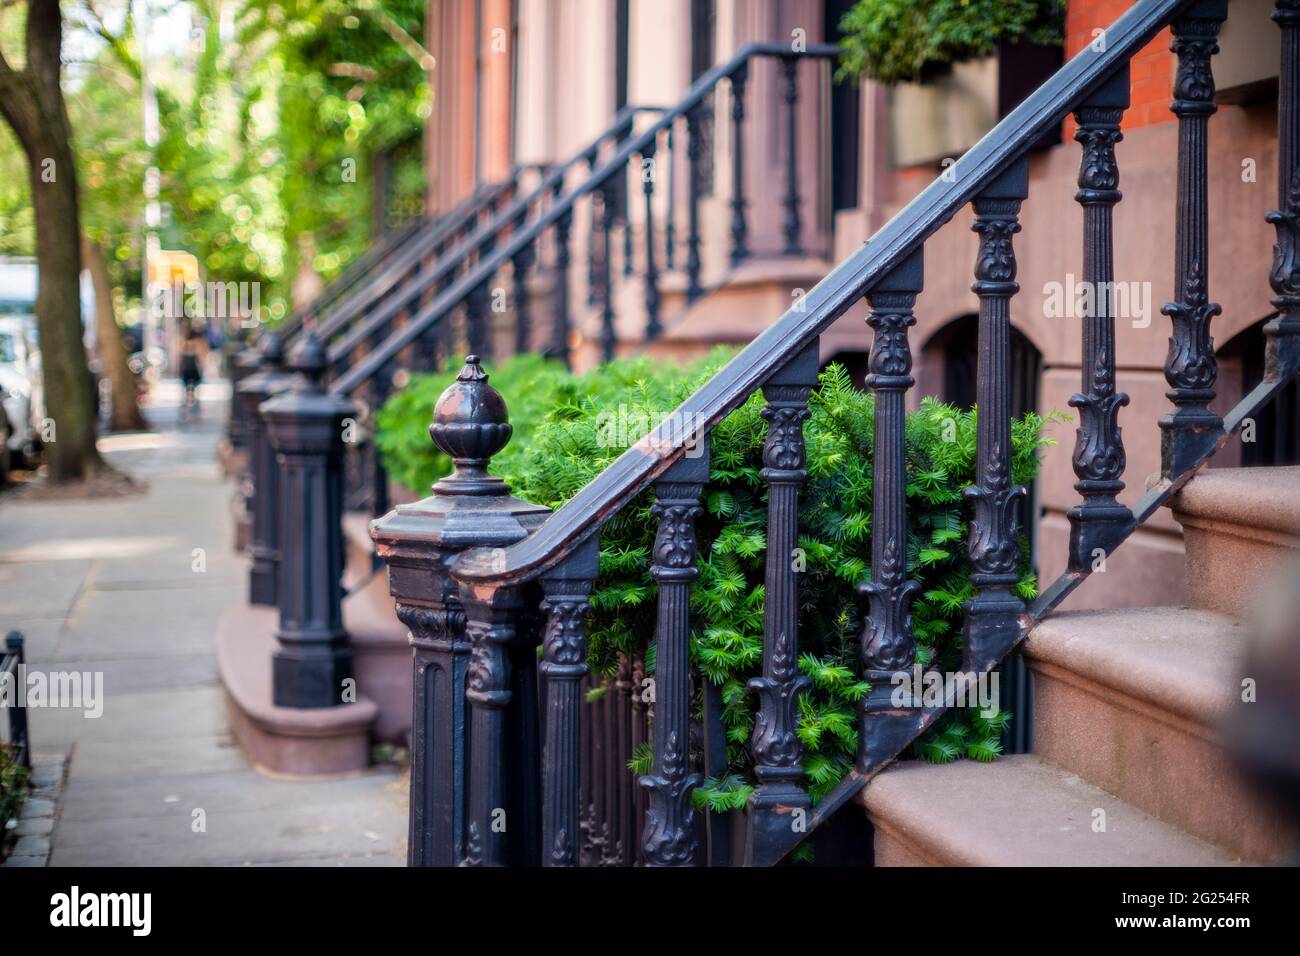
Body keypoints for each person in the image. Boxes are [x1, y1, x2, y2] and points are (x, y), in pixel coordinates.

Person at [178, 325, 207, 422]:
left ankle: (185, 412)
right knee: (195, 393)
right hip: (194, 370)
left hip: (185, 371)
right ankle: (195, 413)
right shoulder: (196, 344)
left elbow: (180, 358)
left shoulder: (183, 344)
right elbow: (200, 358)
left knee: (186, 393)